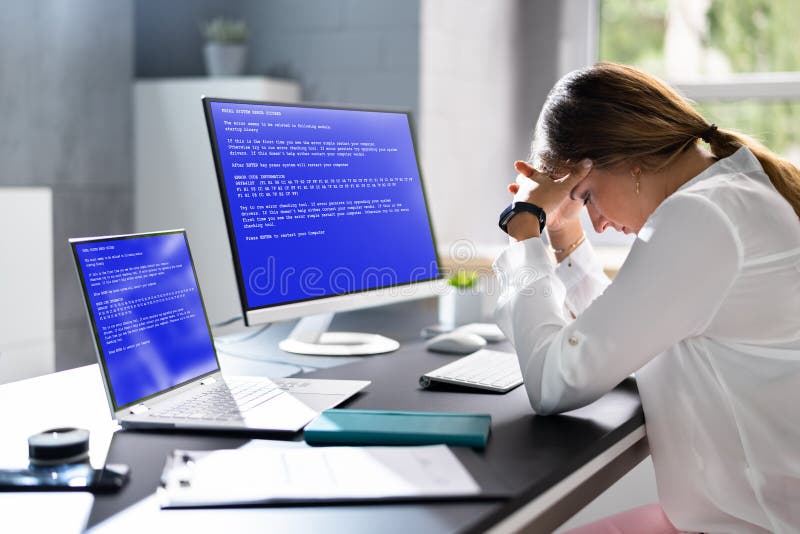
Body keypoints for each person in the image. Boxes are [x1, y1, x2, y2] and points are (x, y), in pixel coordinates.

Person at [493, 62, 800, 533]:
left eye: (587, 196)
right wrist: (565, 231)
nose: (598, 223)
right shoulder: (728, 195)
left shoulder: (701, 217)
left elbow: (553, 382)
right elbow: (628, 332)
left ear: (625, 162)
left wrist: (524, 229)